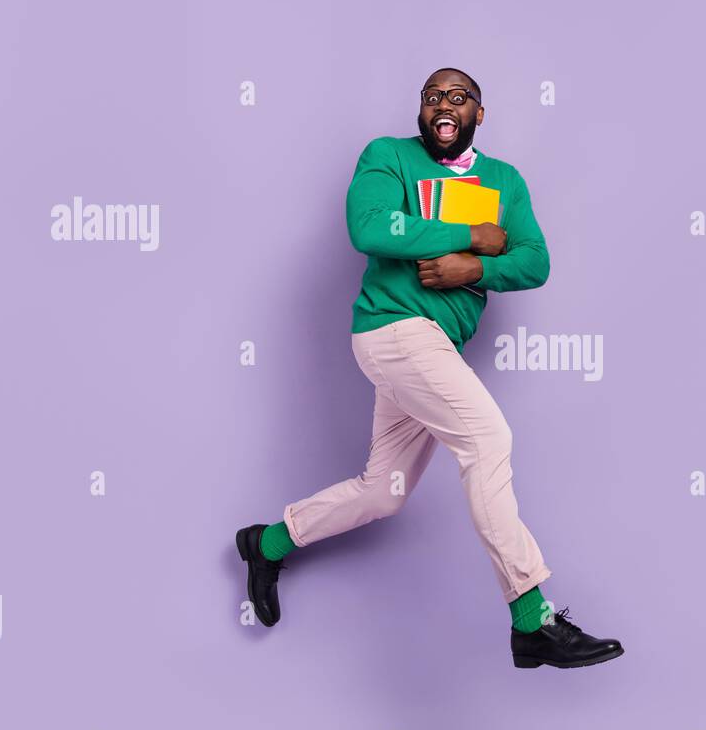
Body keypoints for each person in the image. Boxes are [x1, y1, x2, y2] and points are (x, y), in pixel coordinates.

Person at [235, 67, 624, 669]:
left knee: (383, 493)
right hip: (393, 330)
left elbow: (534, 260)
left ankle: (267, 541)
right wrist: (471, 236)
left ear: (479, 114)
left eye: (459, 97)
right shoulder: (388, 157)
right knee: (488, 438)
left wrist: (476, 271)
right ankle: (531, 618)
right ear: (421, 110)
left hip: (436, 350)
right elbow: (370, 227)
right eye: (433, 96)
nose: (445, 104)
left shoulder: (504, 181)